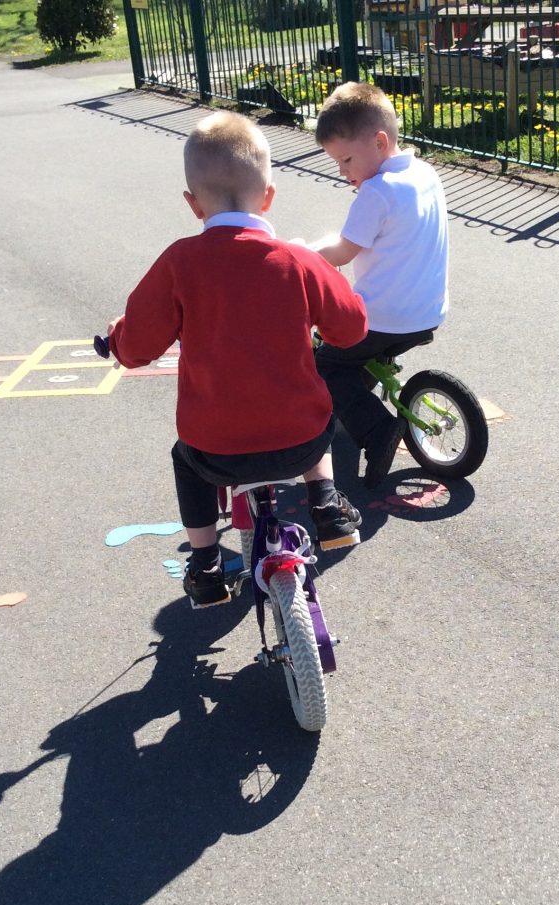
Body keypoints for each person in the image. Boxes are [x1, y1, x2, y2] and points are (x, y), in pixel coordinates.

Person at [107, 111, 369, 608]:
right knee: (319, 411)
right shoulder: (299, 261)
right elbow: (352, 327)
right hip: (297, 442)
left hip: (215, 452)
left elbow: (136, 347)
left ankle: (205, 562)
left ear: (192, 204)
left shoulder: (180, 263)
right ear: (268, 195)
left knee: (184, 459)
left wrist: (116, 339)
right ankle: (327, 505)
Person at [309, 82, 449, 488]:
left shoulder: (376, 192)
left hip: (383, 319)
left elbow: (341, 253)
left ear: (380, 141)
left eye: (347, 159)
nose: (343, 172)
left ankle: (376, 428)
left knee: (327, 365)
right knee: (357, 353)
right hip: (428, 310)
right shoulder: (425, 173)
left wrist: (302, 258)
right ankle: (363, 393)